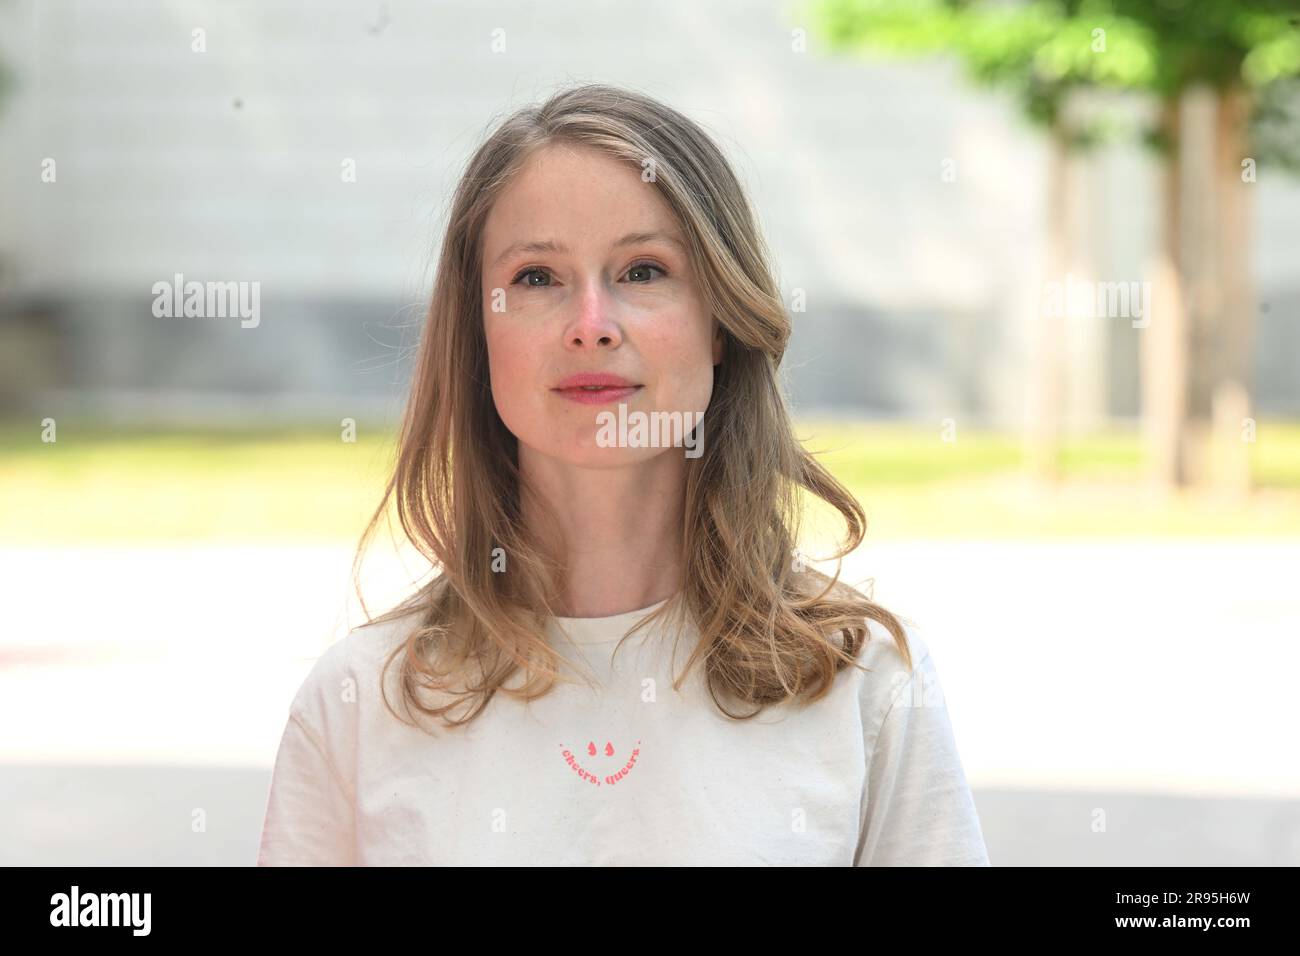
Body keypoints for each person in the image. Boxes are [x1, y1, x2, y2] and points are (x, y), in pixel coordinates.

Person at [256, 82, 990, 866]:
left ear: (720, 322)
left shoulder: (863, 685)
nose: (592, 327)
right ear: (477, 332)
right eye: (537, 277)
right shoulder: (361, 705)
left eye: (643, 271)